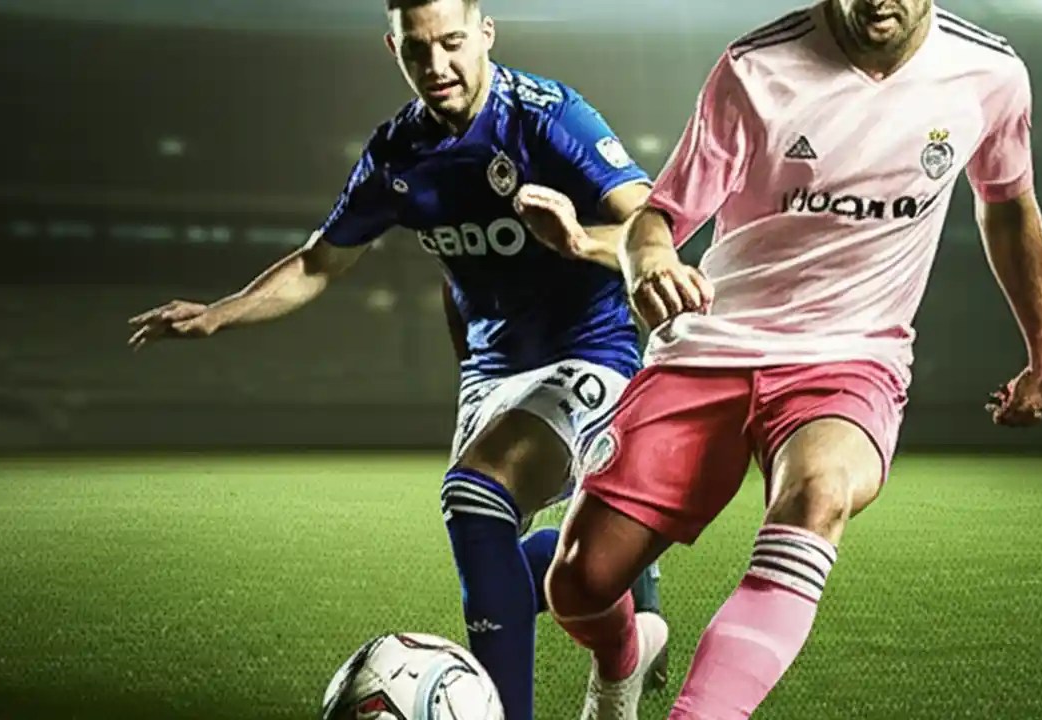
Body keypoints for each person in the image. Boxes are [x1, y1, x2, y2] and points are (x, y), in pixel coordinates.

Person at [125, 1, 668, 717]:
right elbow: (320, 262)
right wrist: (219, 313)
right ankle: (622, 606)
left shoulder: (547, 117)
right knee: (516, 552)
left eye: (452, 42)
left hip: (589, 354)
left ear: (486, 33)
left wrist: (576, 240)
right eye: (418, 50)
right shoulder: (397, 155)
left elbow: (654, 223)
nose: (437, 65)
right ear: (394, 48)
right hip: (489, 374)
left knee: (474, 496)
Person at [535, 1, 1042, 718]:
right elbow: (657, 219)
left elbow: (1006, 204)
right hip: (714, 346)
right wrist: (650, 261)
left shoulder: (990, 73)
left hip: (851, 357)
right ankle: (624, 658)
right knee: (578, 582)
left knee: (818, 493)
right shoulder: (754, 69)